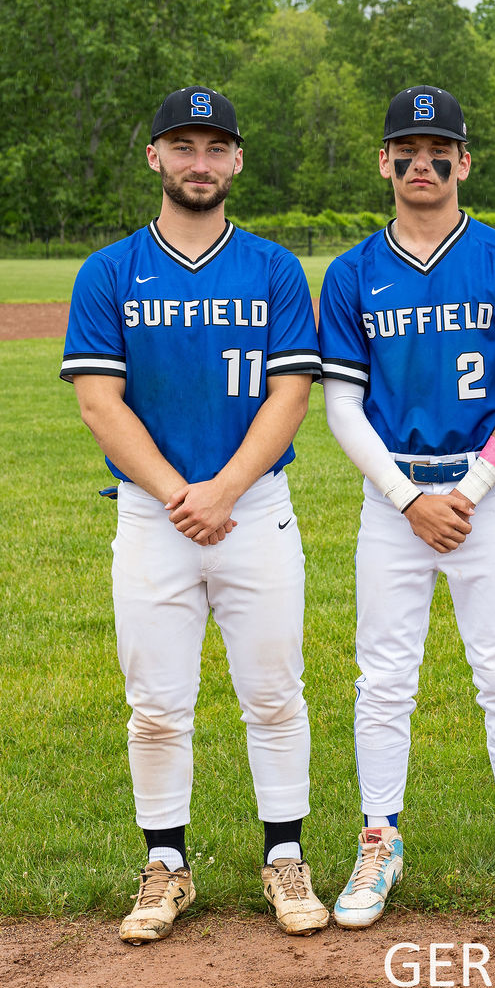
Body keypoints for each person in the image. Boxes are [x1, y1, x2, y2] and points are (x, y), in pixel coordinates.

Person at [62, 86, 327, 943]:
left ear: (237, 160)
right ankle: (166, 864)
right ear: (155, 157)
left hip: (255, 507)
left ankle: (285, 855)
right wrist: (183, 493)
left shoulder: (274, 268)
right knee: (155, 703)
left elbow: (291, 394)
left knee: (274, 693)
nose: (199, 162)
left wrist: (223, 490)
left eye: (215, 147)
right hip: (153, 515)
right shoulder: (109, 271)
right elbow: (100, 402)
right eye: (183, 146)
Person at [317, 85, 495, 928]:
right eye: (408, 152)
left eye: (439, 152)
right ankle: (378, 837)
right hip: (394, 498)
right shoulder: (352, 272)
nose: (424, 164)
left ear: (464, 161)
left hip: (482, 492)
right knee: (384, 677)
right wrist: (407, 497)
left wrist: (470, 490)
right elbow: (341, 404)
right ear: (384, 162)